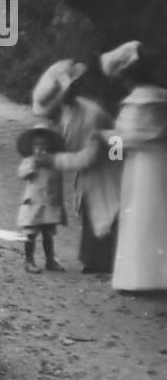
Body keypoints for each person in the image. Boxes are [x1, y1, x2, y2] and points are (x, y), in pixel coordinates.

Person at [30, 59, 121, 273]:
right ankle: (95, 258)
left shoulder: (93, 114)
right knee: (90, 208)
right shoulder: (67, 113)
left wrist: (53, 160)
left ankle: (105, 260)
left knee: (106, 209)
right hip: (91, 169)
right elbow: (64, 142)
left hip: (108, 165)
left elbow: (92, 154)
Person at [101, 41, 167, 292]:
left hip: (140, 166)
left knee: (140, 214)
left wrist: (105, 137)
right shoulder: (162, 98)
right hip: (163, 160)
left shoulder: (133, 104)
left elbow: (122, 145)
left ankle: (139, 277)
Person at [16, 124, 68, 273]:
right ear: (32, 147)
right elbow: (22, 174)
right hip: (33, 203)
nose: (41, 148)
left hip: (49, 203)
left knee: (48, 233)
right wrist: (33, 165)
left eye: (45, 145)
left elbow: (58, 181)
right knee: (31, 233)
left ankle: (50, 260)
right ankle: (29, 260)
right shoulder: (29, 161)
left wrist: (58, 202)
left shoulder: (52, 162)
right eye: (38, 145)